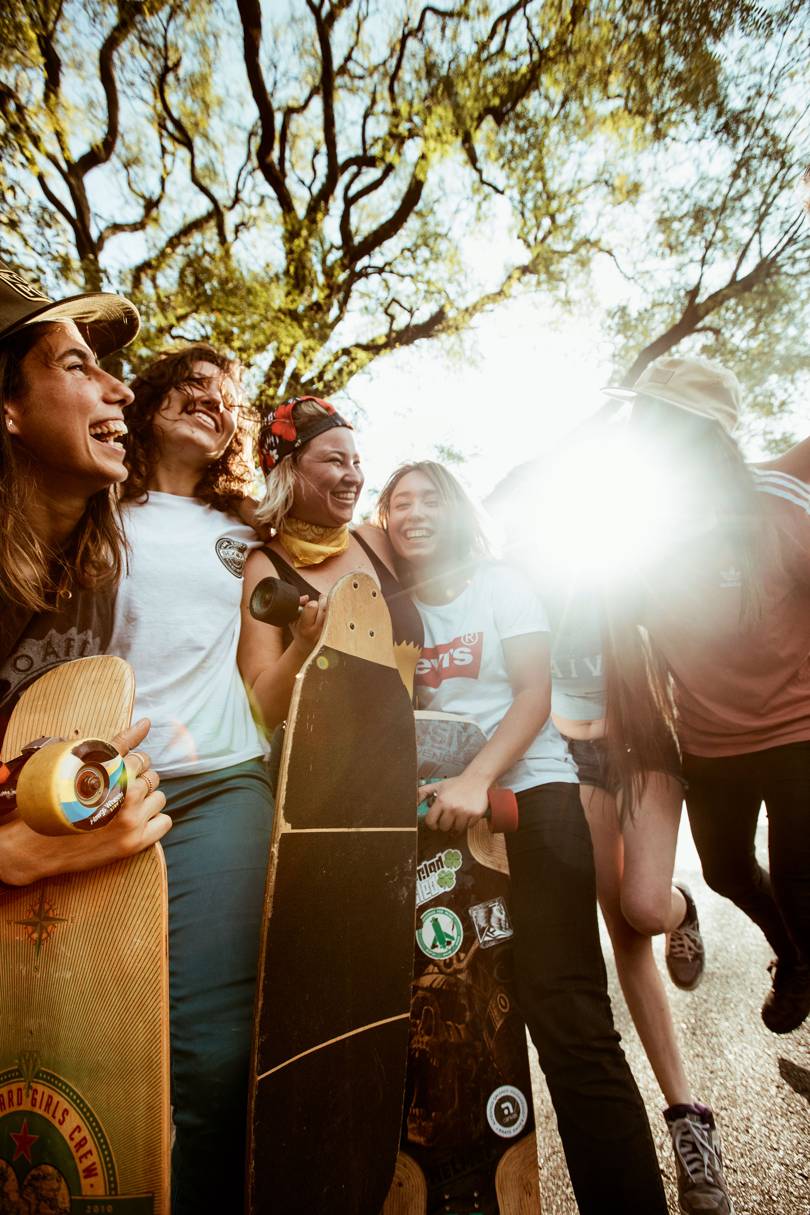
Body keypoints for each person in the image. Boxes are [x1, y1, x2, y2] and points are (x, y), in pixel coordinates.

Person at [375, 459, 669, 1215]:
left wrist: (478, 777)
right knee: (449, 1026)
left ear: (457, 512)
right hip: (436, 823)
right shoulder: (386, 608)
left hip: (532, 797)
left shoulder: (500, 584)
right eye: (399, 501)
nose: (413, 512)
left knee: (567, 1018)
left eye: (429, 498)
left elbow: (535, 693)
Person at [109, 344, 273, 1215]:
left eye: (227, 396)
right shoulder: (93, 506)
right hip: (101, 789)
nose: (211, 398)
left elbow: (261, 679)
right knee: (96, 1035)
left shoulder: (246, 537)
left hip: (221, 788)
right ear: (149, 400)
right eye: (192, 383)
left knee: (214, 1054)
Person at [610, 354, 810, 1037]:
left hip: (797, 729)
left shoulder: (778, 505)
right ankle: (794, 955)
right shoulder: (638, 528)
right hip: (709, 741)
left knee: (800, 881)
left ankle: (801, 955)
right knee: (725, 870)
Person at [549, 592, 734, 1215]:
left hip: (643, 740)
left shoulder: (626, 571)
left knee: (647, 909)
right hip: (571, 757)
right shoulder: (518, 577)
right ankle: (689, 1119)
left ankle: (681, 908)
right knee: (627, 935)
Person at [0, 262, 169, 886]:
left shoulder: (93, 567)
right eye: (76, 366)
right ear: (9, 407)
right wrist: (14, 857)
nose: (121, 390)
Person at [238, 395, 423, 732]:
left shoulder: (376, 541)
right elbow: (262, 711)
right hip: (323, 761)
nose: (354, 477)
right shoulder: (264, 566)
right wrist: (302, 647)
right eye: (336, 461)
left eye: (356, 462)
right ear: (289, 471)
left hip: (414, 755)